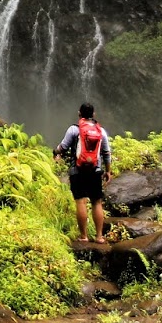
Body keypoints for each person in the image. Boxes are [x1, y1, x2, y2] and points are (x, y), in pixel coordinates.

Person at [54, 102, 112, 243]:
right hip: (95, 171)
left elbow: (63, 147)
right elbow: (106, 153)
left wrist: (56, 153)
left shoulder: (74, 130)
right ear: (93, 114)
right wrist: (108, 171)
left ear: (79, 113)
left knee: (81, 201)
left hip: (77, 171)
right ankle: (99, 237)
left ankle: (84, 236)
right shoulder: (101, 131)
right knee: (97, 202)